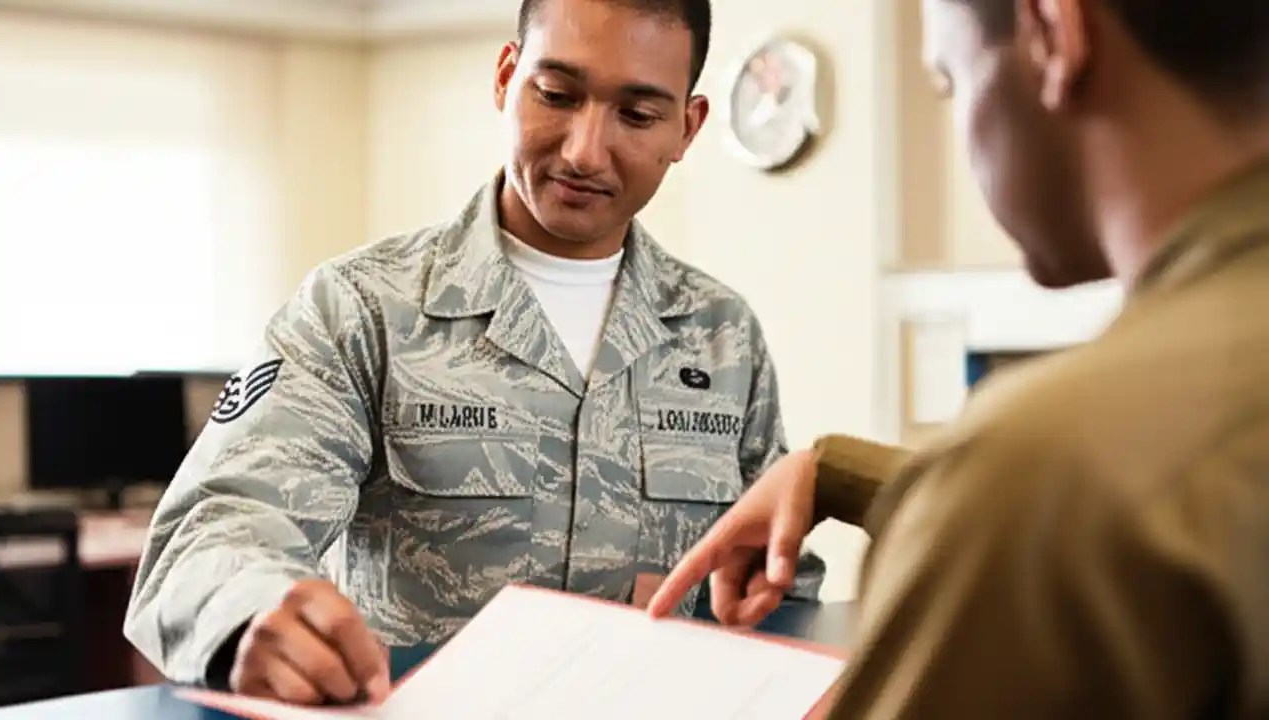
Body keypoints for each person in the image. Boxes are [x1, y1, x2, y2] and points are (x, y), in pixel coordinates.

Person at [124, 0, 819, 706]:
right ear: (506, 77)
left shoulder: (720, 333)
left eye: (637, 115)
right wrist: (250, 618)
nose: (584, 149)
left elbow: (775, 586)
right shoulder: (362, 309)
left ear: (687, 127)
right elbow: (216, 527)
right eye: (556, 95)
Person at [650, 0, 1269, 716]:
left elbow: (1070, 499)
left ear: (1052, 33)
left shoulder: (1042, 474)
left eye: (949, 80)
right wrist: (842, 475)